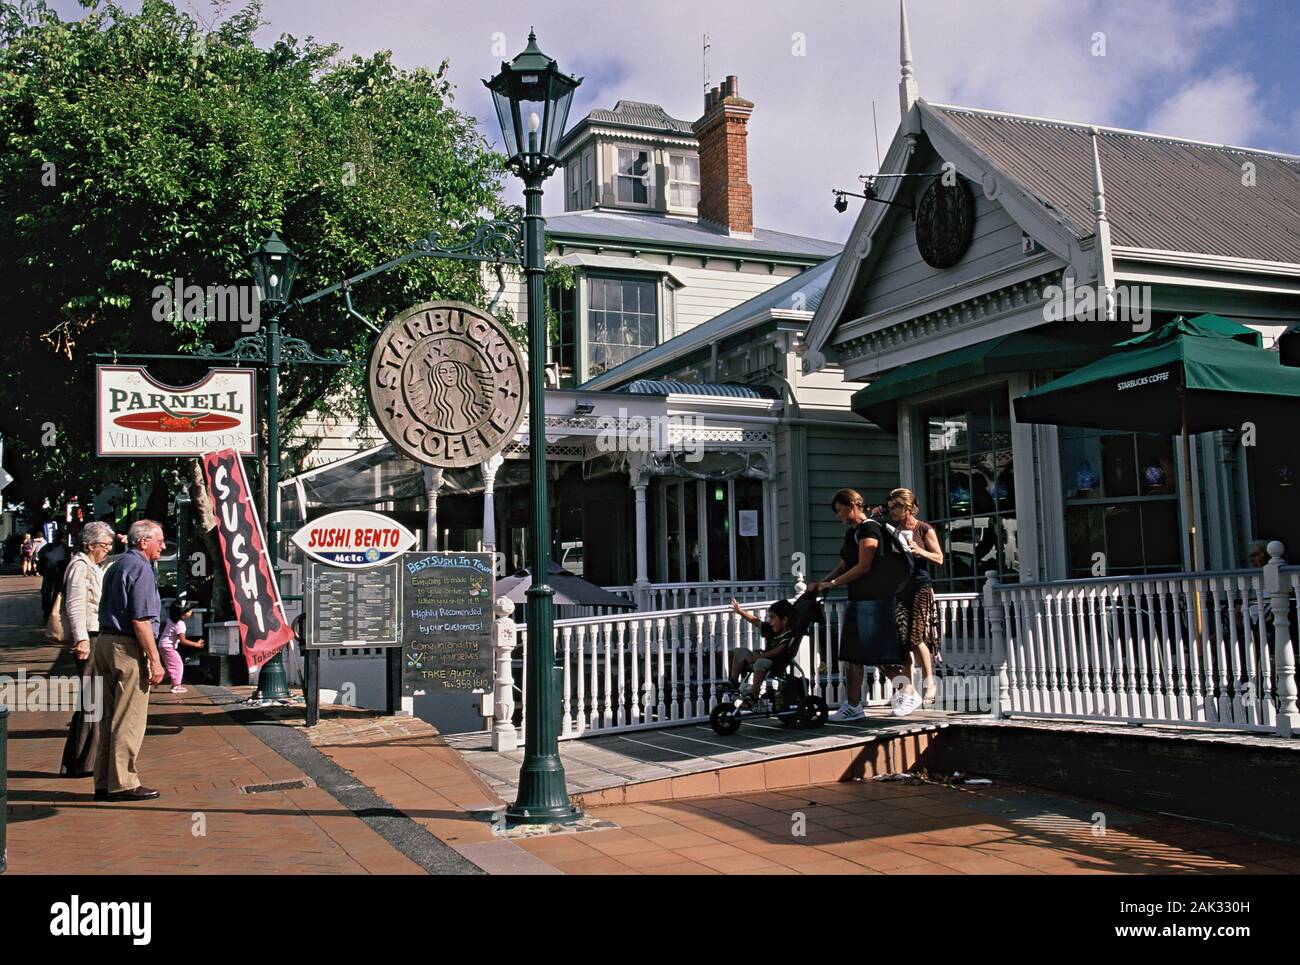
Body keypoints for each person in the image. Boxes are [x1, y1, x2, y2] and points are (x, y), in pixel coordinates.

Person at [812, 489, 912, 721]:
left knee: (879, 656)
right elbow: (845, 564)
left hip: (875, 600)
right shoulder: (852, 533)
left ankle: (906, 691)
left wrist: (834, 584)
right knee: (851, 654)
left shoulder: (869, 528)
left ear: (852, 506)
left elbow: (864, 565)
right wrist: (821, 583)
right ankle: (853, 705)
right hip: (858, 599)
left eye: (840, 510)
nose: (838, 516)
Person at [92, 519, 167, 802]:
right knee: (129, 718)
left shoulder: (117, 565)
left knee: (109, 716)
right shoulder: (141, 568)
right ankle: (123, 781)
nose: (162, 545)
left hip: (105, 642)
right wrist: (155, 659)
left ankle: (104, 781)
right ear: (143, 541)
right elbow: (141, 620)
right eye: (158, 540)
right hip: (126, 646)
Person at [58, 521, 116, 777]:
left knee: (94, 699)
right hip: (89, 637)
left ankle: (83, 760)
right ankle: (80, 762)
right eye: (104, 545)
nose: (107, 549)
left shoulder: (94, 565)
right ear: (91, 545)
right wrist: (81, 639)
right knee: (91, 699)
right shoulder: (79, 567)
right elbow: (75, 604)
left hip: (97, 634)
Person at [888, 488, 945, 707]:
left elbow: (939, 558)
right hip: (900, 587)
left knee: (916, 636)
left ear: (907, 507)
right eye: (891, 507)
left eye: (895, 507)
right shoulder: (892, 531)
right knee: (902, 640)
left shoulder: (923, 529)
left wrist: (919, 551)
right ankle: (907, 690)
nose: (892, 511)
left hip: (921, 586)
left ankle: (930, 682)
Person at [724, 598, 796, 703]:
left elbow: (777, 651)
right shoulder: (771, 629)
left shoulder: (788, 635)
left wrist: (756, 657)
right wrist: (739, 611)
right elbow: (755, 621)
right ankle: (734, 683)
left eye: (772, 617)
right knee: (740, 651)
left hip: (776, 662)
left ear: (784, 620)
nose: (769, 621)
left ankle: (754, 693)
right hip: (764, 657)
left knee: (760, 662)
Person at [156, 602, 204, 694]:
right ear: (182, 613)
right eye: (188, 610)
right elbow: (183, 640)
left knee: (171, 667)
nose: (191, 612)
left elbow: (162, 626)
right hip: (169, 647)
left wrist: (164, 635)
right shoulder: (180, 624)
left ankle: (154, 679)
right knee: (178, 665)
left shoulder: (169, 620)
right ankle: (176, 686)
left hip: (162, 645)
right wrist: (196, 644)